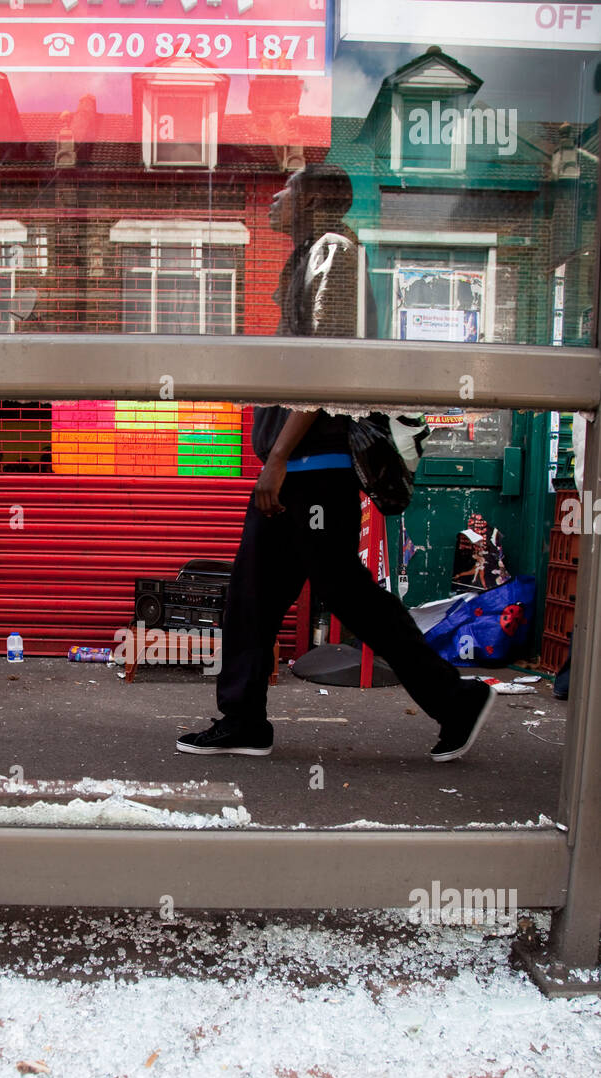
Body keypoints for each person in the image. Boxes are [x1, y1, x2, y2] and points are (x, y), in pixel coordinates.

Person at [177, 164, 494, 763]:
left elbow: (323, 370)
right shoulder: (308, 256)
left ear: (316, 200)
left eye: (287, 189)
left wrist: (276, 458)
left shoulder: (334, 254)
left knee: (350, 596)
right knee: (251, 596)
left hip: (312, 467)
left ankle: (455, 700)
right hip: (291, 469)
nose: (275, 197)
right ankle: (242, 719)